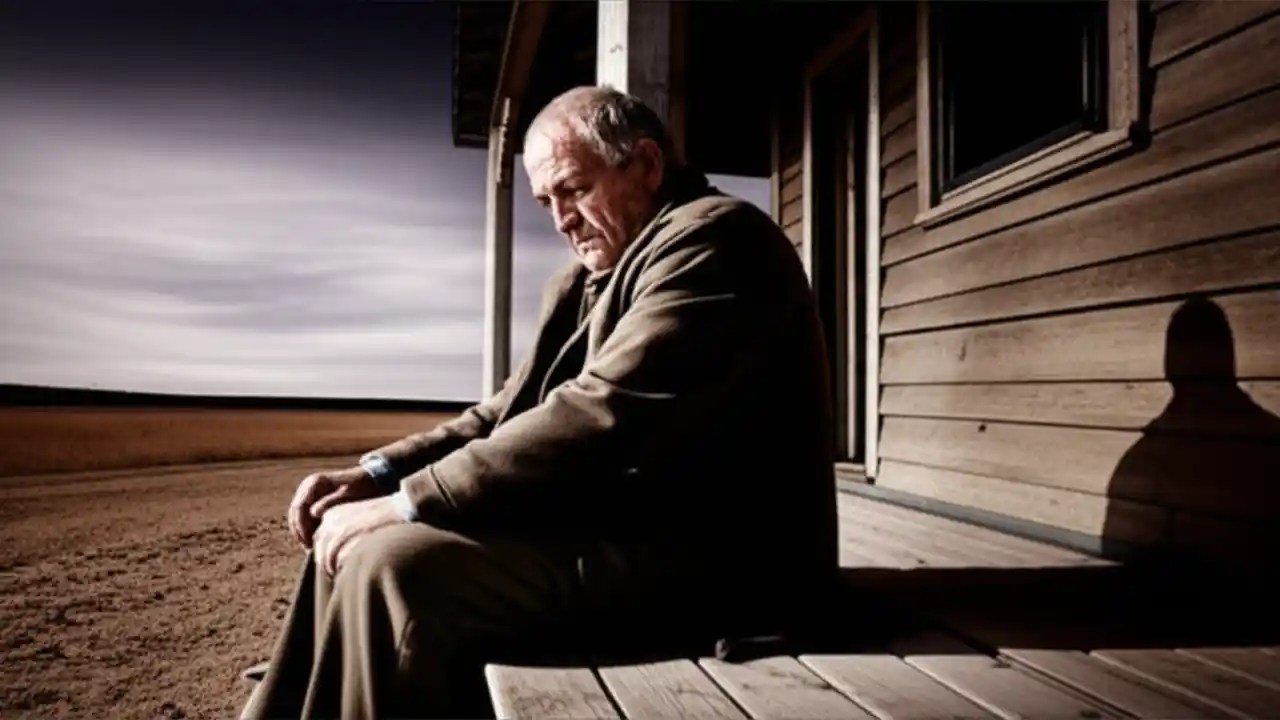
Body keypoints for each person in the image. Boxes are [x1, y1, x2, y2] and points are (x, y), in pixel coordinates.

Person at [241, 85, 838, 720]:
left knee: (392, 565)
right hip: (619, 528)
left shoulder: (716, 241)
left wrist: (410, 504)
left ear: (646, 165)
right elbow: (504, 412)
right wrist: (375, 476)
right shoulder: (586, 278)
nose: (560, 219)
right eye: (546, 201)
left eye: (574, 189)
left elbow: (601, 414)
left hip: (719, 565)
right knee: (347, 529)